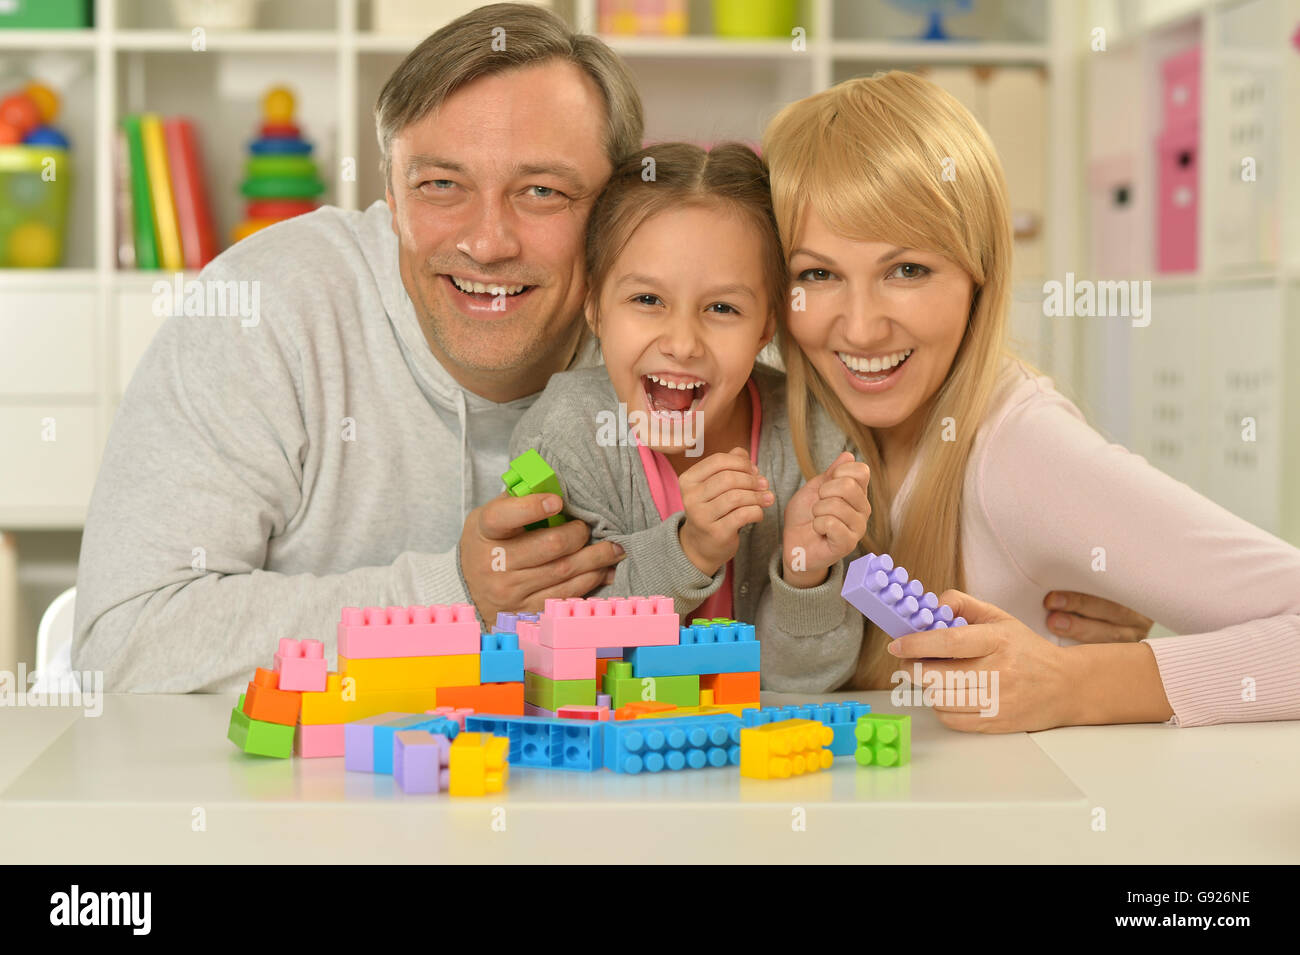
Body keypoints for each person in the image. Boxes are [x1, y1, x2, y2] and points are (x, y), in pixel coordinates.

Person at [72, 3, 635, 691]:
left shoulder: (673, 340)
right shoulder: (263, 310)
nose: (488, 243)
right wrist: (454, 597)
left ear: (619, 212)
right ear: (391, 196)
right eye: (441, 186)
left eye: (542, 190)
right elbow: (124, 641)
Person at [761, 70, 1300, 729]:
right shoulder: (789, 426)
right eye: (817, 274)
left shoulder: (1018, 450)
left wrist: (1075, 684)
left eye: (907, 270)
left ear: (978, 275)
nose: (863, 326)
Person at [509, 142, 870, 690]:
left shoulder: (812, 437)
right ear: (594, 306)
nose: (681, 343)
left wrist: (804, 571)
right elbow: (567, 660)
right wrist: (690, 552)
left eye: (722, 309)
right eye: (647, 300)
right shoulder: (565, 437)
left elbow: (804, 683)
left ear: (766, 328)